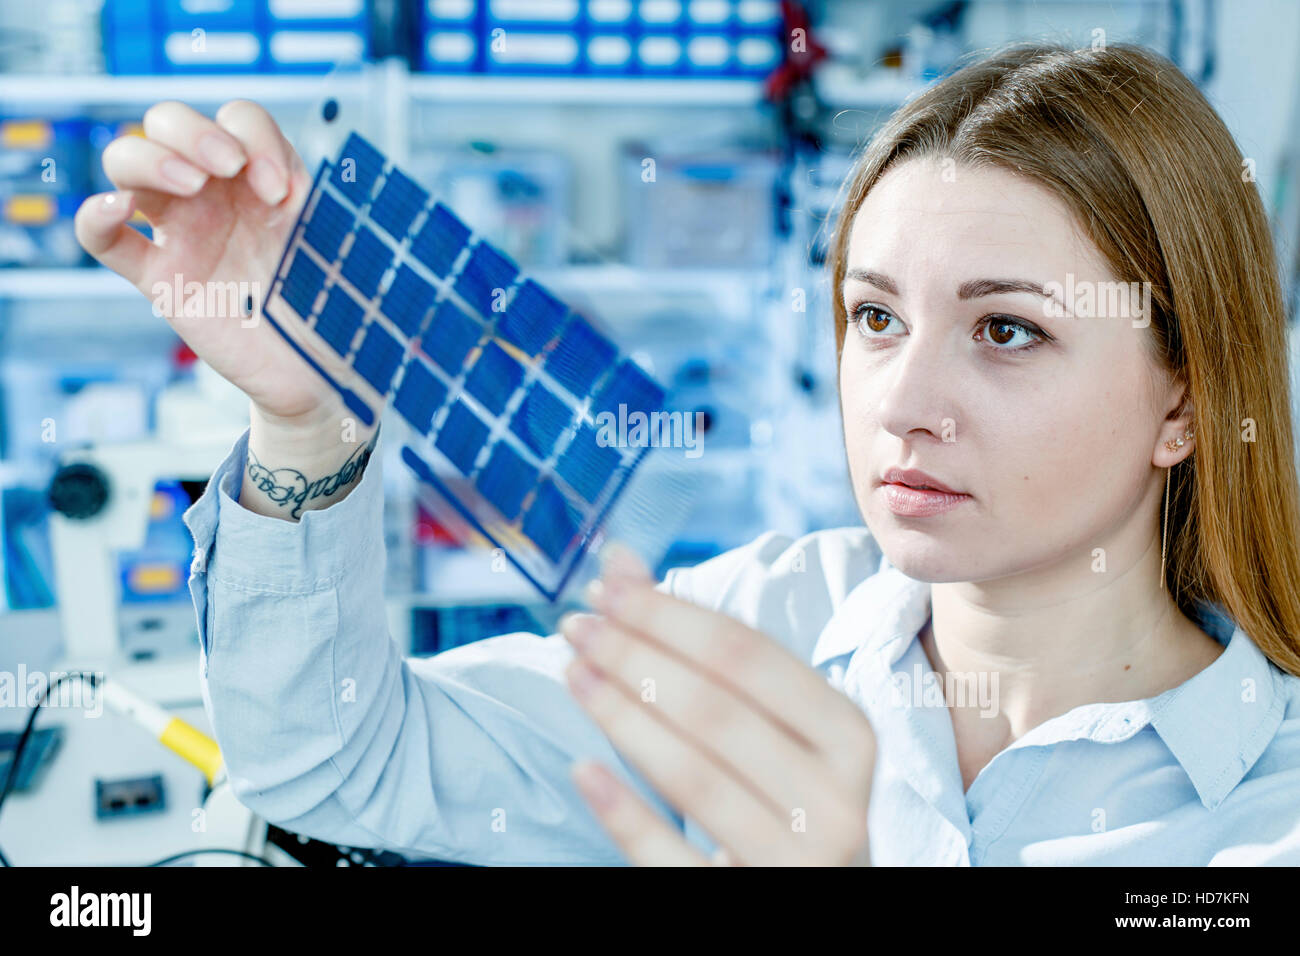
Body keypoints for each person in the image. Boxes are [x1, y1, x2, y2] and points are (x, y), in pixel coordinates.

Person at [74, 40, 1300, 866]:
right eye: (876, 316)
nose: (901, 401)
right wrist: (310, 426)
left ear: (1183, 403)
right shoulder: (757, 626)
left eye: (1007, 330)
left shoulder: (1263, 801)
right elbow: (333, 765)